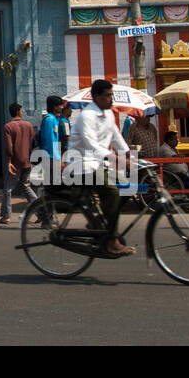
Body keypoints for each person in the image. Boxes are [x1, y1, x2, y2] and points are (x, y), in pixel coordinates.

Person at [65, 79, 133, 256]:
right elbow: (91, 144)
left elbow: (116, 136)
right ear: (96, 97)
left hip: (99, 163)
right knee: (112, 192)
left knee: (129, 187)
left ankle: (99, 220)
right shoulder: (86, 116)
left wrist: (128, 155)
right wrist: (116, 158)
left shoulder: (108, 114)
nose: (111, 99)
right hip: (82, 164)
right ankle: (112, 240)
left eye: (112, 95)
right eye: (107, 95)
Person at [0, 103, 39, 224]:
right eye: (21, 110)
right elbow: (33, 143)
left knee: (8, 189)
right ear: (18, 111)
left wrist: (9, 162)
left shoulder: (9, 127)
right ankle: (41, 212)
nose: (22, 111)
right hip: (27, 160)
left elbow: (9, 147)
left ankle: (6, 216)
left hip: (15, 161)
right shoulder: (28, 125)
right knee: (26, 186)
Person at [36, 96, 66, 185]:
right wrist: (58, 159)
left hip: (52, 157)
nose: (62, 107)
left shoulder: (54, 119)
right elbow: (50, 142)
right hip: (50, 157)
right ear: (54, 107)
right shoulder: (49, 120)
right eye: (60, 105)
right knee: (53, 185)